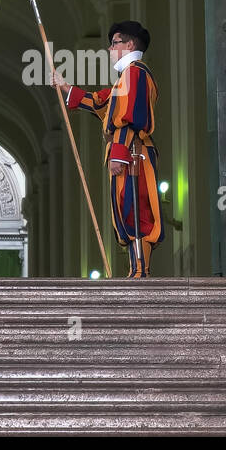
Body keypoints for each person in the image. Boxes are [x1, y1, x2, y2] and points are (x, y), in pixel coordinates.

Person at [52, 21, 161, 277]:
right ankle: (136, 268)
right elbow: (102, 103)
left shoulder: (135, 73)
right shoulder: (125, 78)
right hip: (129, 152)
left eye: (115, 43)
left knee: (135, 209)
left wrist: (119, 153)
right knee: (125, 211)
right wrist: (67, 88)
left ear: (130, 45)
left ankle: (140, 270)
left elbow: (129, 116)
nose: (110, 48)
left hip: (133, 153)